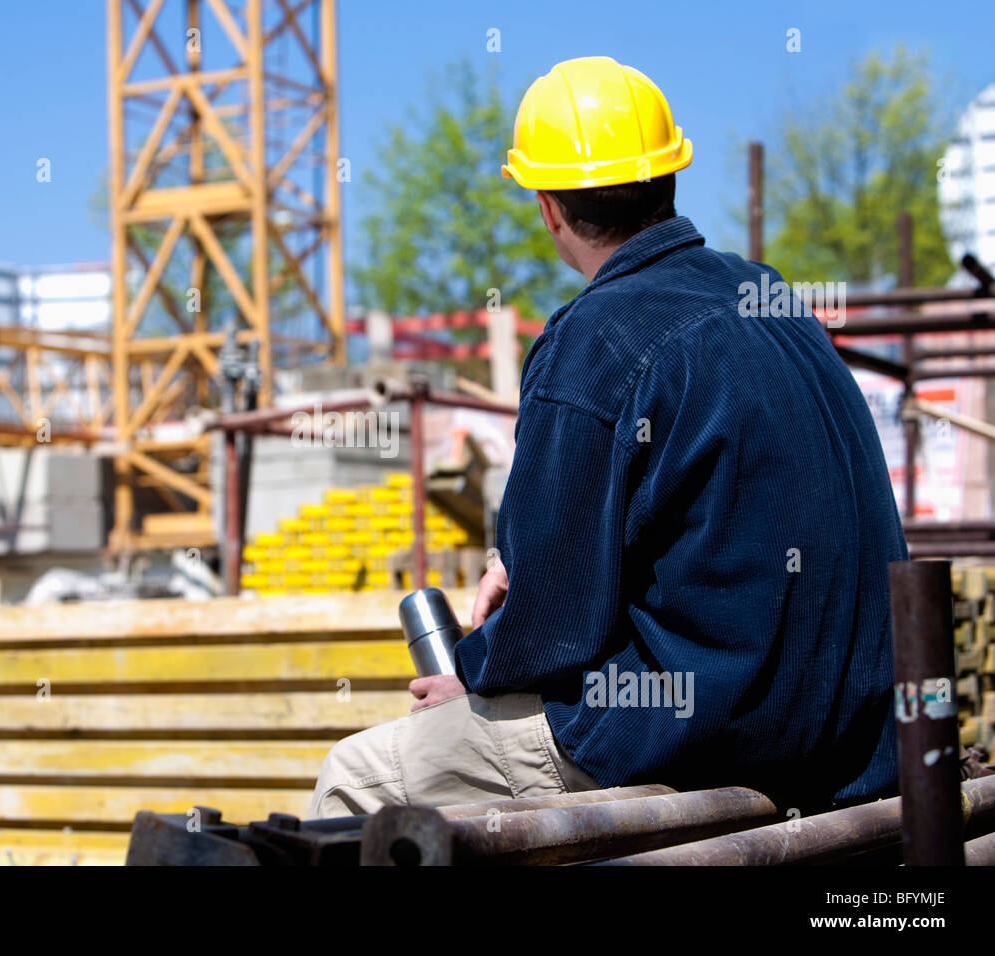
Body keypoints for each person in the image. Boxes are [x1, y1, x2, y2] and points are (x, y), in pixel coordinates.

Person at [308, 55, 904, 819]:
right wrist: (520, 565)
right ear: (671, 178)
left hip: (709, 734)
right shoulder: (774, 300)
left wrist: (472, 672)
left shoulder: (595, 341)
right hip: (852, 734)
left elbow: (556, 627)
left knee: (363, 777)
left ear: (548, 206)